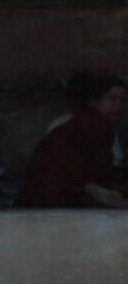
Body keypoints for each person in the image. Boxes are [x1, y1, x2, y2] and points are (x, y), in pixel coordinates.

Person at [21, 74, 126, 210]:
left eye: (122, 100)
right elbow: (59, 173)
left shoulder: (106, 131)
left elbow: (100, 173)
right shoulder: (75, 129)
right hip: (45, 206)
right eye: (112, 99)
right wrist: (92, 189)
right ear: (93, 101)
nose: (118, 105)